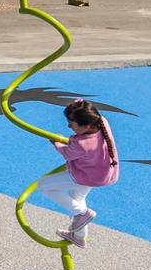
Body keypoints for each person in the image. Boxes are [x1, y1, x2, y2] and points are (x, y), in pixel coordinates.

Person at [37, 99, 119, 248]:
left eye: (72, 123)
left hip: (85, 175)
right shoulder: (102, 122)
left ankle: (83, 213)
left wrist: (55, 142)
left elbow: (67, 153)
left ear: (86, 125)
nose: (68, 126)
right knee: (77, 197)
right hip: (102, 172)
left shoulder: (82, 144)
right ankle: (79, 236)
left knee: (43, 185)